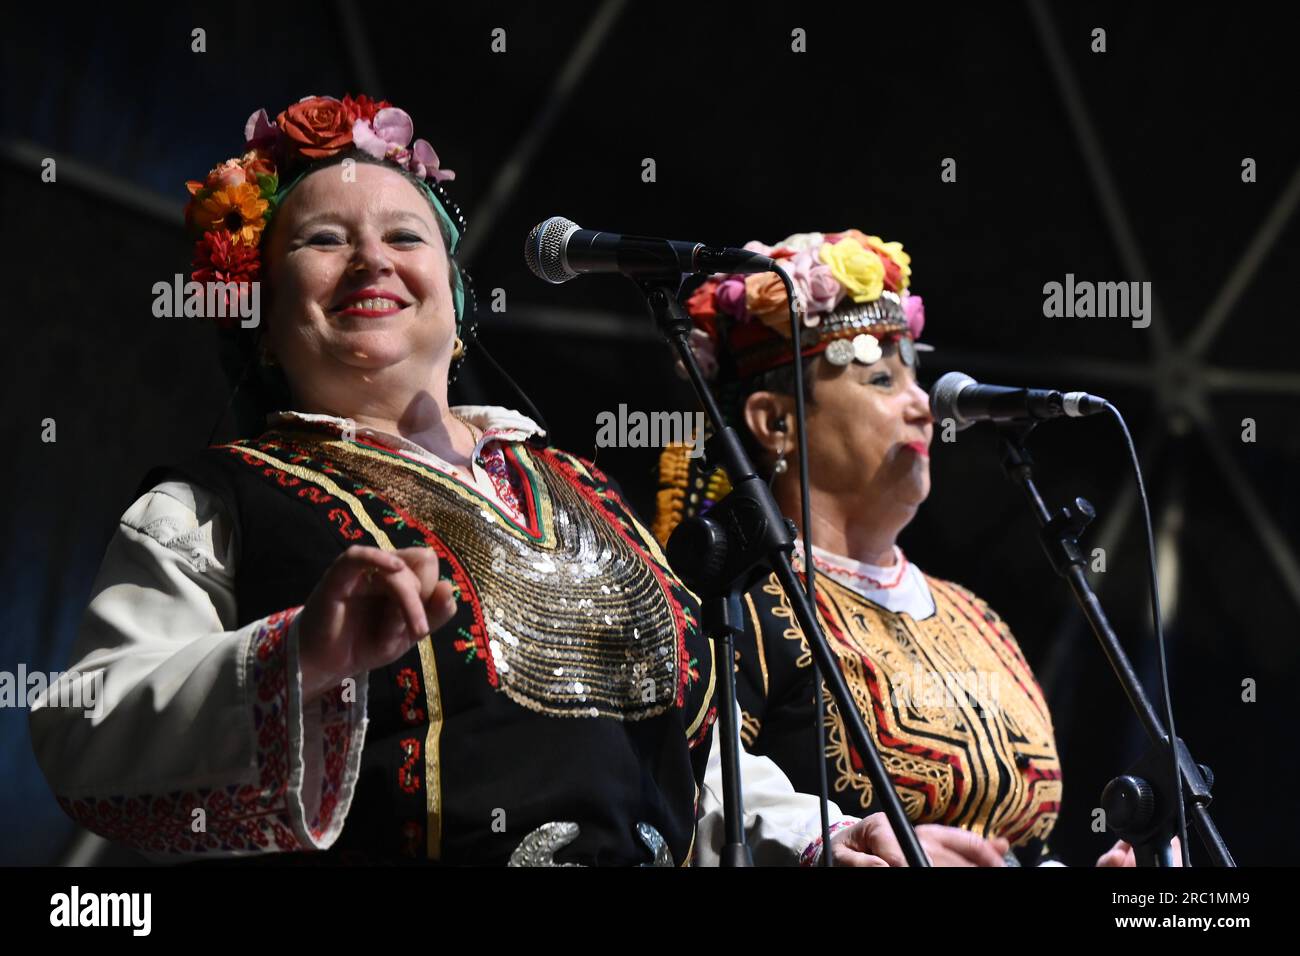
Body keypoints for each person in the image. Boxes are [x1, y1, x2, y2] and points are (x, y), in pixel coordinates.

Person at [28, 94, 943, 867]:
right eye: (324, 240)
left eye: (404, 235)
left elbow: (680, 754)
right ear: (262, 318)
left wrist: (820, 837)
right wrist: (296, 657)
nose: (373, 260)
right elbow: (85, 727)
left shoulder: (577, 487)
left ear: (458, 302)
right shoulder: (213, 506)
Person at [656, 229, 1157, 866]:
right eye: (881, 379)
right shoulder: (733, 602)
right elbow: (688, 775)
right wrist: (826, 840)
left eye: (916, 380)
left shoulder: (975, 618)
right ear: (775, 421)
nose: (924, 406)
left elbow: (1012, 848)